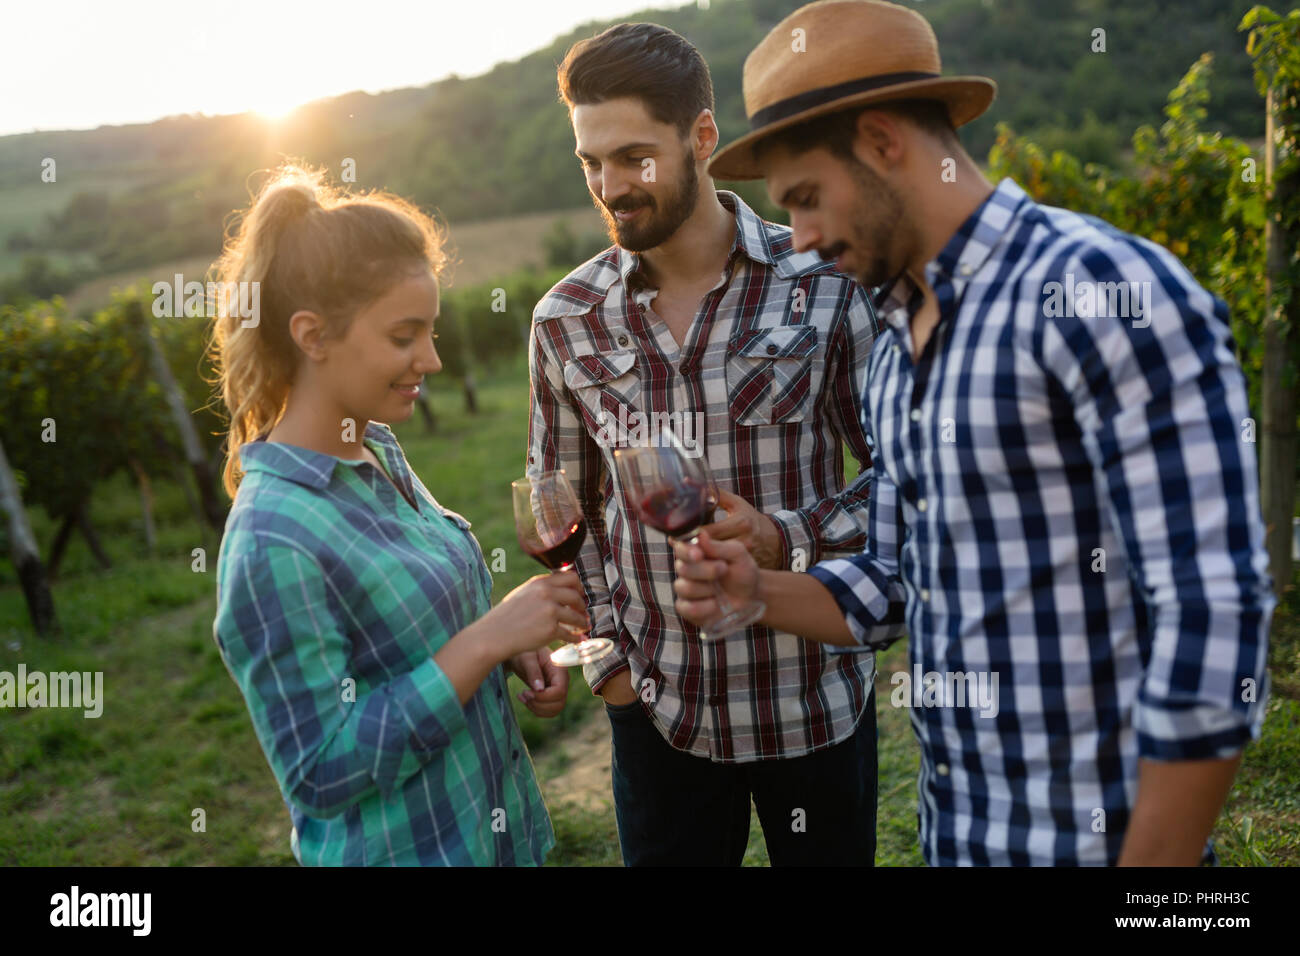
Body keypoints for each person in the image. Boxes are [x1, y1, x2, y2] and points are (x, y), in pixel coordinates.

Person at [676, 0, 1275, 866]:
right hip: (961, 839)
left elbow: (1213, 612)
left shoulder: (1102, 290)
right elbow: (895, 582)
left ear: (883, 141)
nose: (799, 240)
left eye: (807, 199)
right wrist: (759, 593)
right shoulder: (893, 343)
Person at [528, 22, 882, 866]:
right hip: (659, 719)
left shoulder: (825, 285)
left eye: (633, 157)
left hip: (813, 702)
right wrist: (612, 669)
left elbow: (908, 481)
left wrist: (784, 540)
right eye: (591, 163)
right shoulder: (564, 321)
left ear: (703, 138)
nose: (611, 185)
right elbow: (561, 511)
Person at [210, 164, 587, 866]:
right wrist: (482, 645)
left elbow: (407, 646)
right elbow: (321, 773)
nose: (433, 359)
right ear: (312, 335)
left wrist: (506, 648)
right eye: (405, 335)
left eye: (432, 332)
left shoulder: (376, 447)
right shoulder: (272, 542)